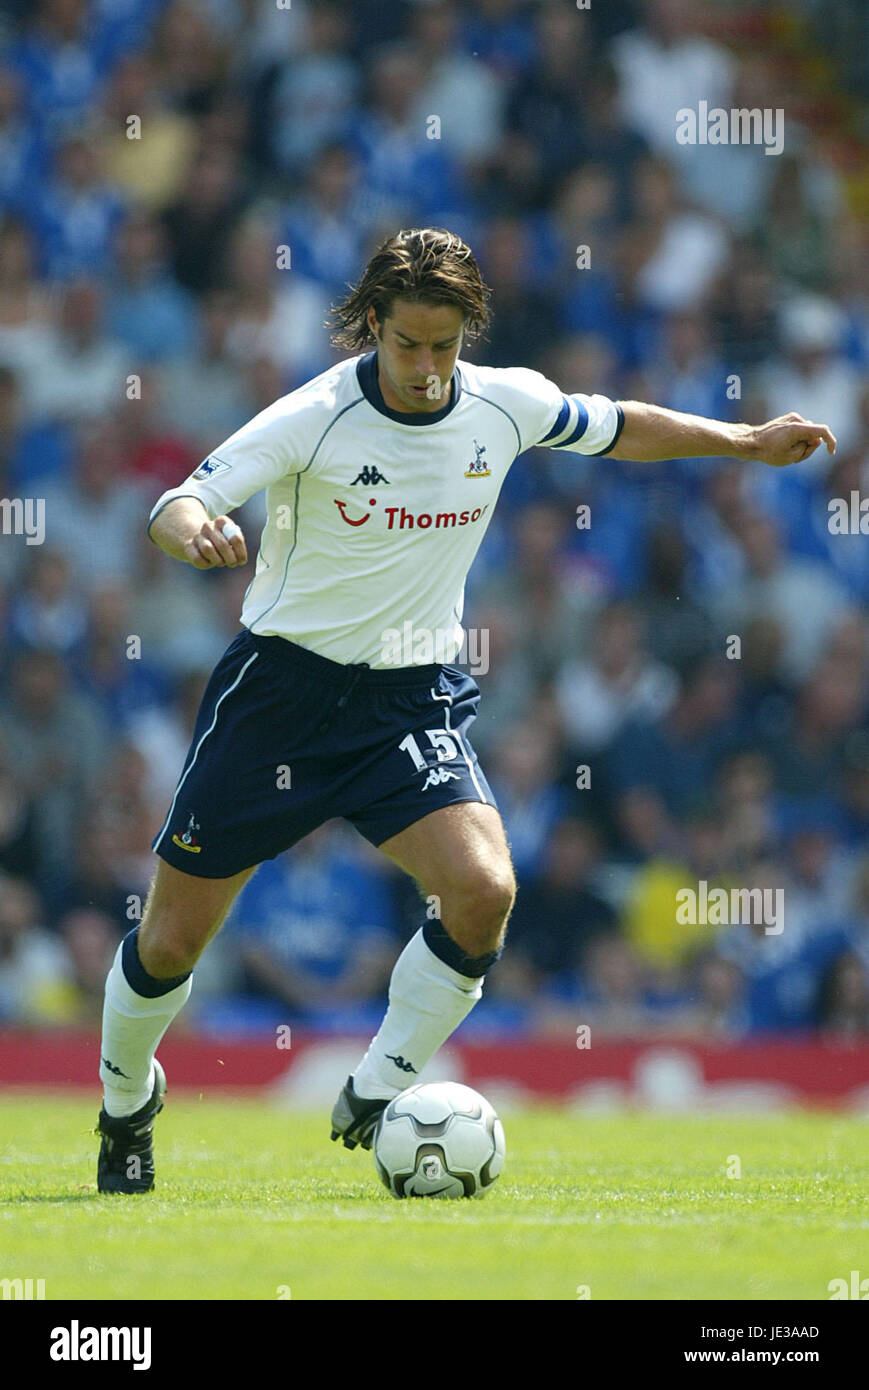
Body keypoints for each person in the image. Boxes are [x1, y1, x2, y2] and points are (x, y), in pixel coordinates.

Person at [94, 226, 836, 1192]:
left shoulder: (502, 403)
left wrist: (738, 439)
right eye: (407, 345)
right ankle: (124, 1108)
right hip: (279, 696)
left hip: (407, 698)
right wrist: (195, 529)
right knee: (169, 942)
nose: (427, 368)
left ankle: (377, 1086)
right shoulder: (314, 415)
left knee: (484, 892)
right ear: (372, 327)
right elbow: (180, 500)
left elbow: (615, 424)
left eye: (444, 347)